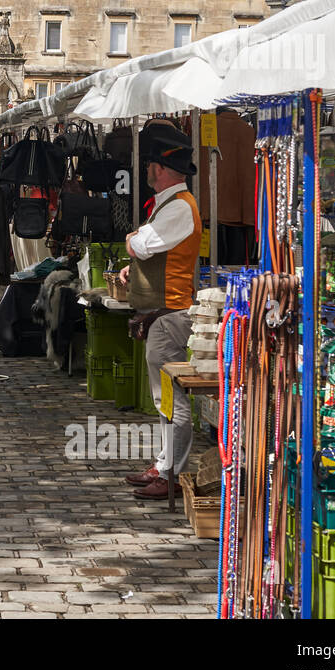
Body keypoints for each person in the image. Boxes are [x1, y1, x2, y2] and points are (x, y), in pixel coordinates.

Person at [117, 126, 202, 500]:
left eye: (150, 164)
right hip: (163, 314)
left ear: (161, 169)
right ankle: (164, 463)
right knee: (163, 398)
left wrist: (131, 245)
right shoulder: (171, 205)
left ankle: (171, 472)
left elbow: (144, 245)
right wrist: (132, 262)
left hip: (170, 315)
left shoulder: (180, 206)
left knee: (170, 398)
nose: (147, 170)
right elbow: (148, 248)